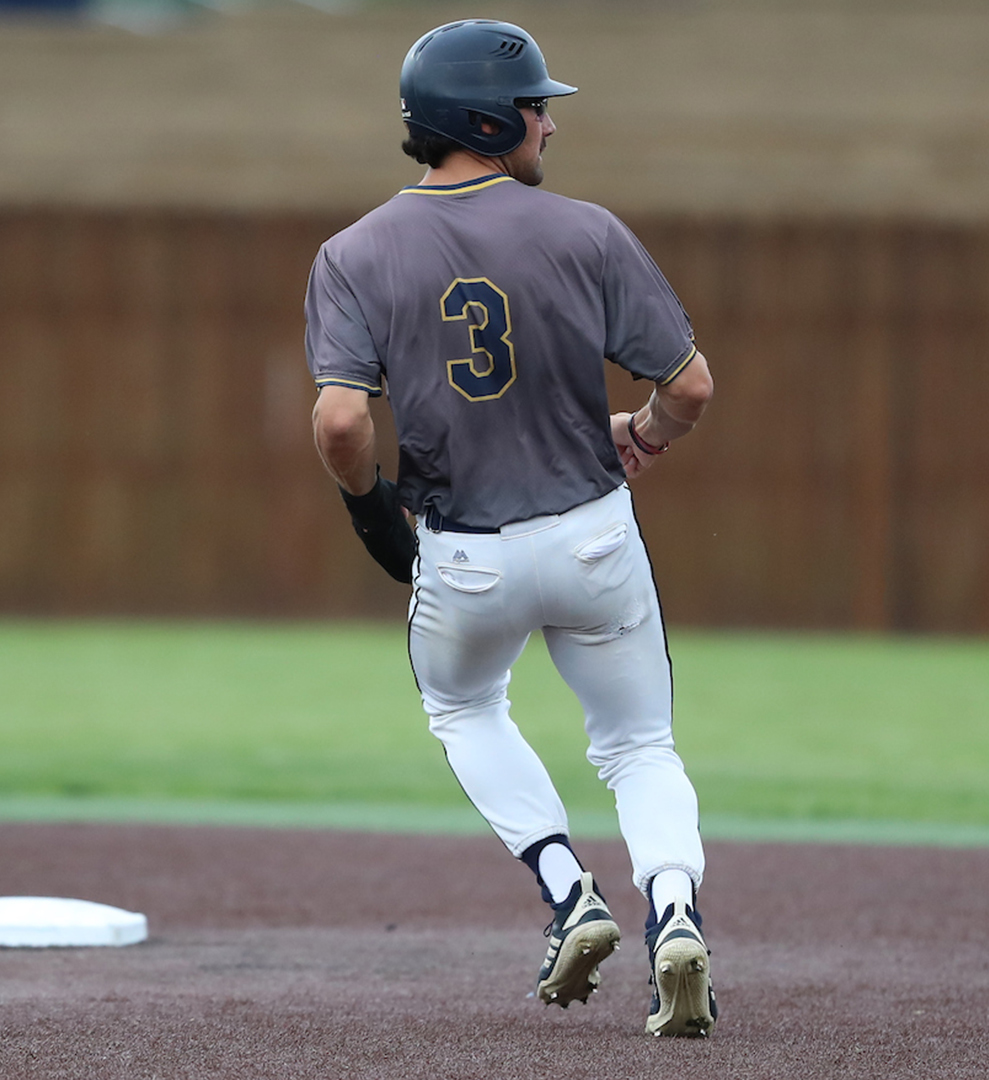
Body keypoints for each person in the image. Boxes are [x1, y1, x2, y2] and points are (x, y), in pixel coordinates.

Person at [304, 19, 718, 1038]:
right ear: (488, 120)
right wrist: (648, 435)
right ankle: (674, 915)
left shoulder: (353, 254)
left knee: (465, 708)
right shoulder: (586, 232)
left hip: (465, 554)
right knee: (638, 745)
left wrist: (368, 507)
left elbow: (343, 418)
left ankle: (567, 890)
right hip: (592, 537)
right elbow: (693, 387)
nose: (548, 122)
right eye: (538, 106)